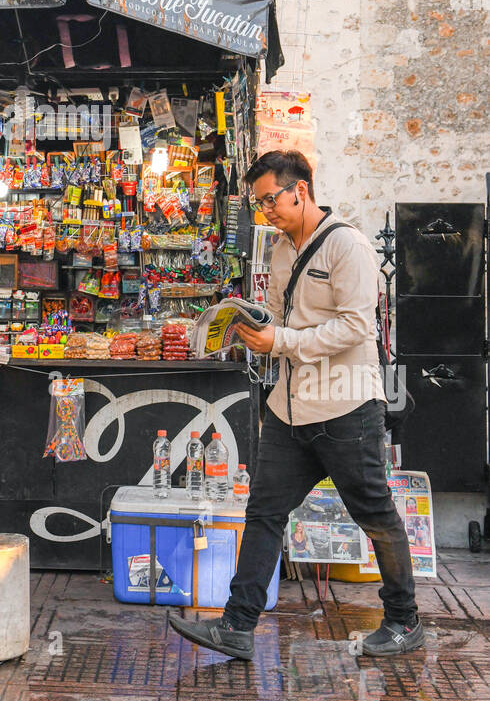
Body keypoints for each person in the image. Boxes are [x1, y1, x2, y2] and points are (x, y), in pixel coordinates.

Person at [169, 149, 422, 660]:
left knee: (373, 514)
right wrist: (246, 325)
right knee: (263, 513)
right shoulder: (281, 248)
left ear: (300, 190)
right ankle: (238, 626)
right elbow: (289, 317)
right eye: (259, 203)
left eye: (270, 200)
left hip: (346, 407)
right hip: (289, 407)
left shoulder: (347, 245)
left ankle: (403, 620)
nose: (266, 211)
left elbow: (358, 327)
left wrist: (279, 342)